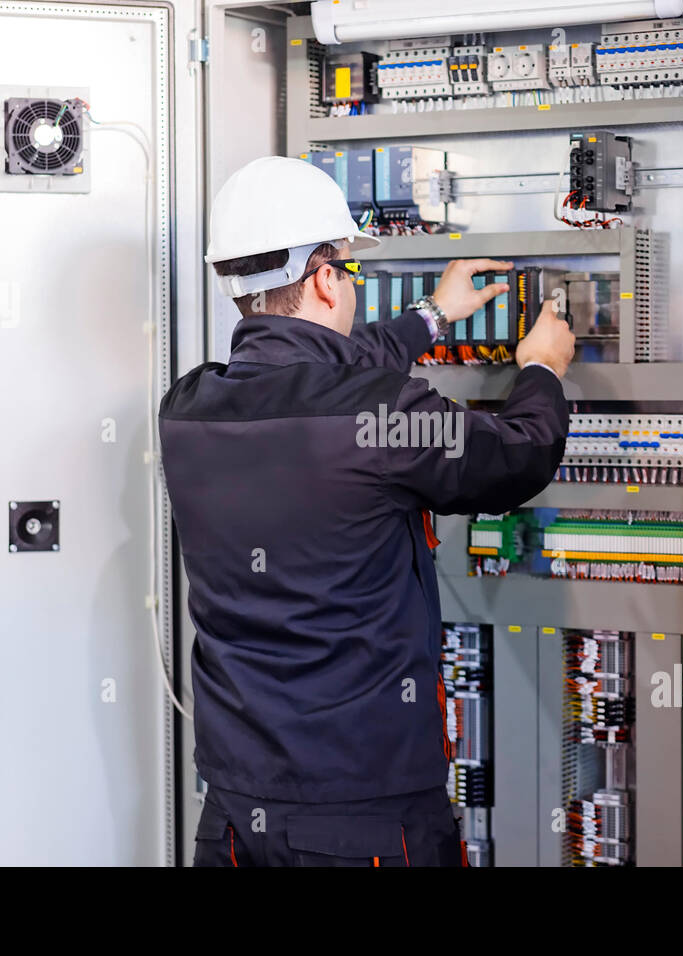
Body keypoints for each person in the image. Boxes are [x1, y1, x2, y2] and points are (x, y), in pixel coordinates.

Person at [159, 156, 574, 866]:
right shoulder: (380, 418)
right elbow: (519, 454)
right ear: (324, 278)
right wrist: (541, 369)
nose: (350, 285)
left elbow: (318, 374)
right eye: (349, 271)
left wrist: (432, 316)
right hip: (364, 818)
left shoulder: (189, 409)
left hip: (233, 811)